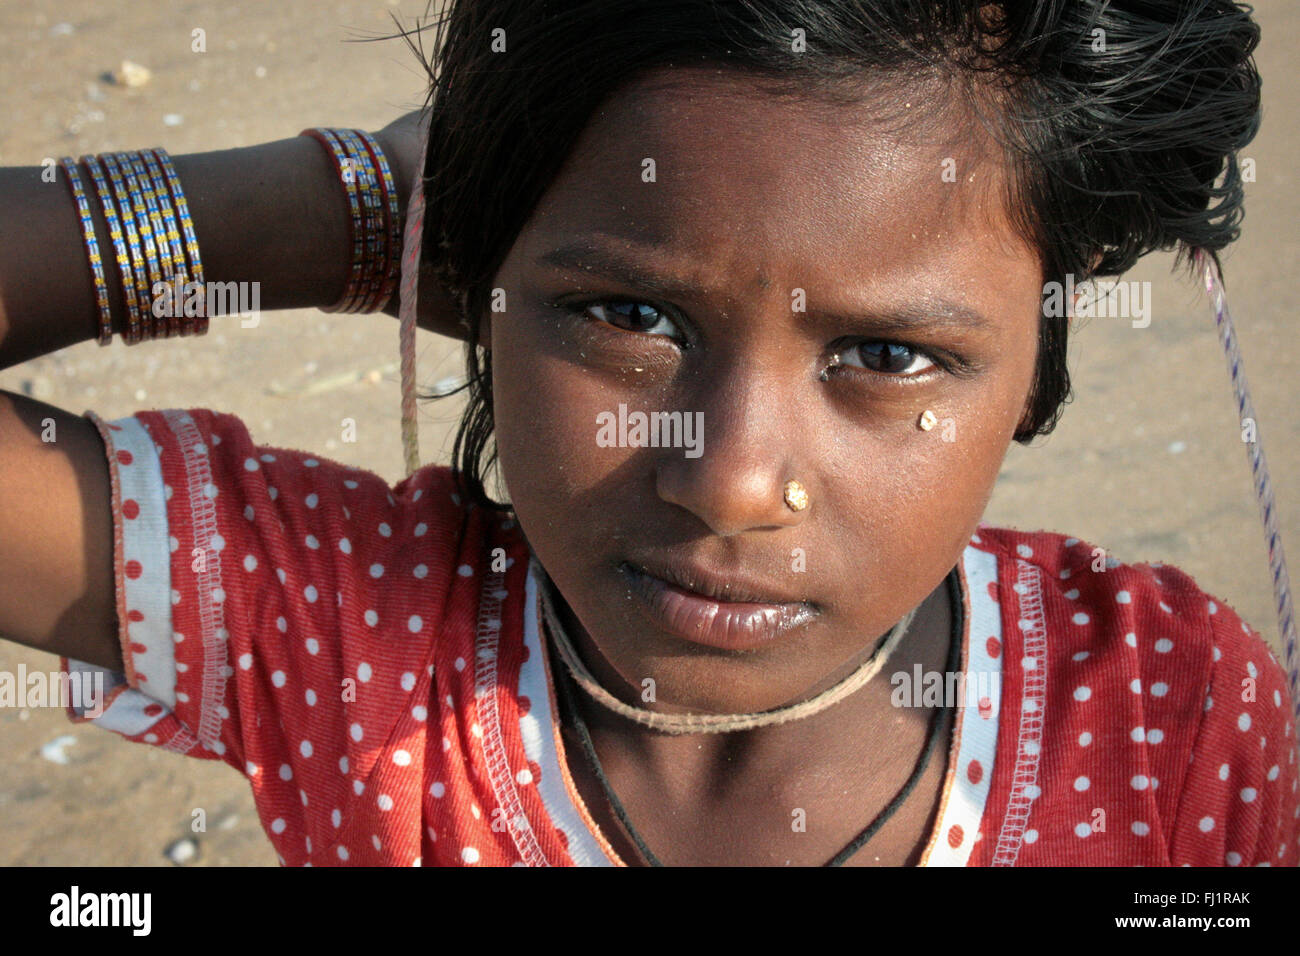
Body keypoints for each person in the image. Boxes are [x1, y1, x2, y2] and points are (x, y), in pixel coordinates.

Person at [0, 0, 1295, 867]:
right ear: (479, 291)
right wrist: (351, 205)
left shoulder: (1171, 725)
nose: (731, 481)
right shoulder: (357, 636)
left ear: (1033, 368)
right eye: (624, 311)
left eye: (888, 356)